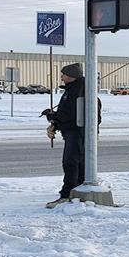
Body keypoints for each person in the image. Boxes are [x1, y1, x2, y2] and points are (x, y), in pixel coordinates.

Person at [40, 63, 99, 208]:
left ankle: (67, 194)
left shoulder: (78, 91)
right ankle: (77, 191)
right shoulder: (75, 89)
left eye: (64, 74)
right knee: (77, 163)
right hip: (76, 132)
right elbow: (69, 114)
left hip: (78, 133)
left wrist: (53, 118)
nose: (61, 77)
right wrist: (55, 121)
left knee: (71, 162)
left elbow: (71, 114)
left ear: (71, 76)